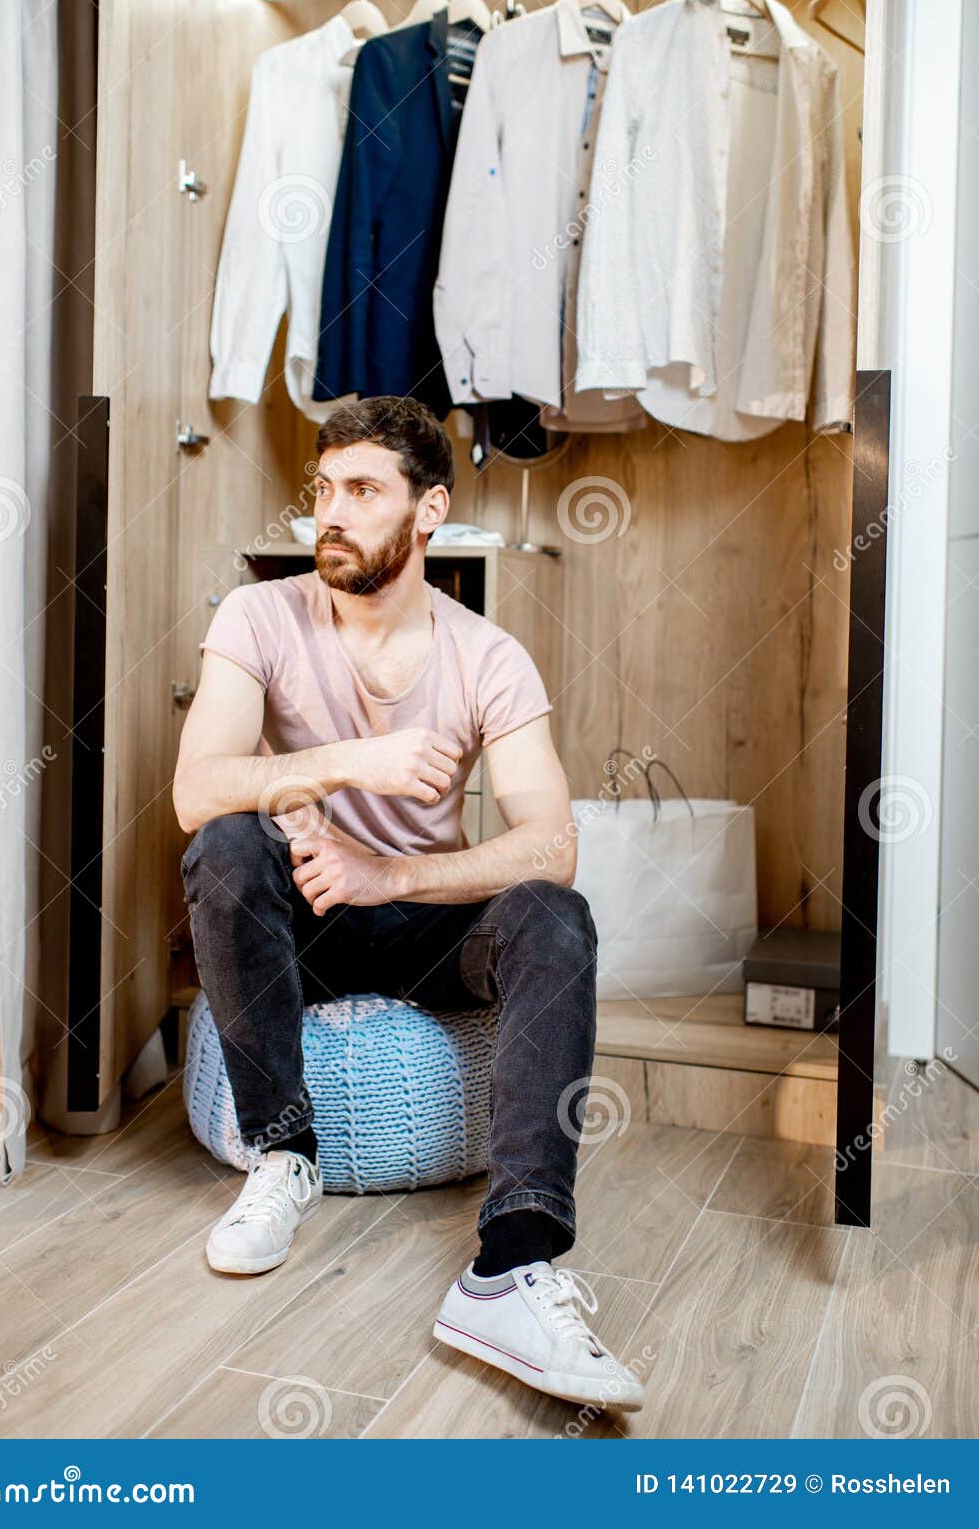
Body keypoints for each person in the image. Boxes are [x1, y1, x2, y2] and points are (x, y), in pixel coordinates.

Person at [172, 395, 642, 1413]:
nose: (331, 513)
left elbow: (552, 844)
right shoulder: (258, 615)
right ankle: (284, 1156)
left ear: (429, 511)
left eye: (362, 490)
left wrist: (387, 875)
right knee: (226, 843)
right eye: (323, 490)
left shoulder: (488, 656)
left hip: (420, 919)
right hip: (302, 912)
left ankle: (511, 1264)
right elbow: (195, 790)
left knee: (554, 914)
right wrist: (355, 762)